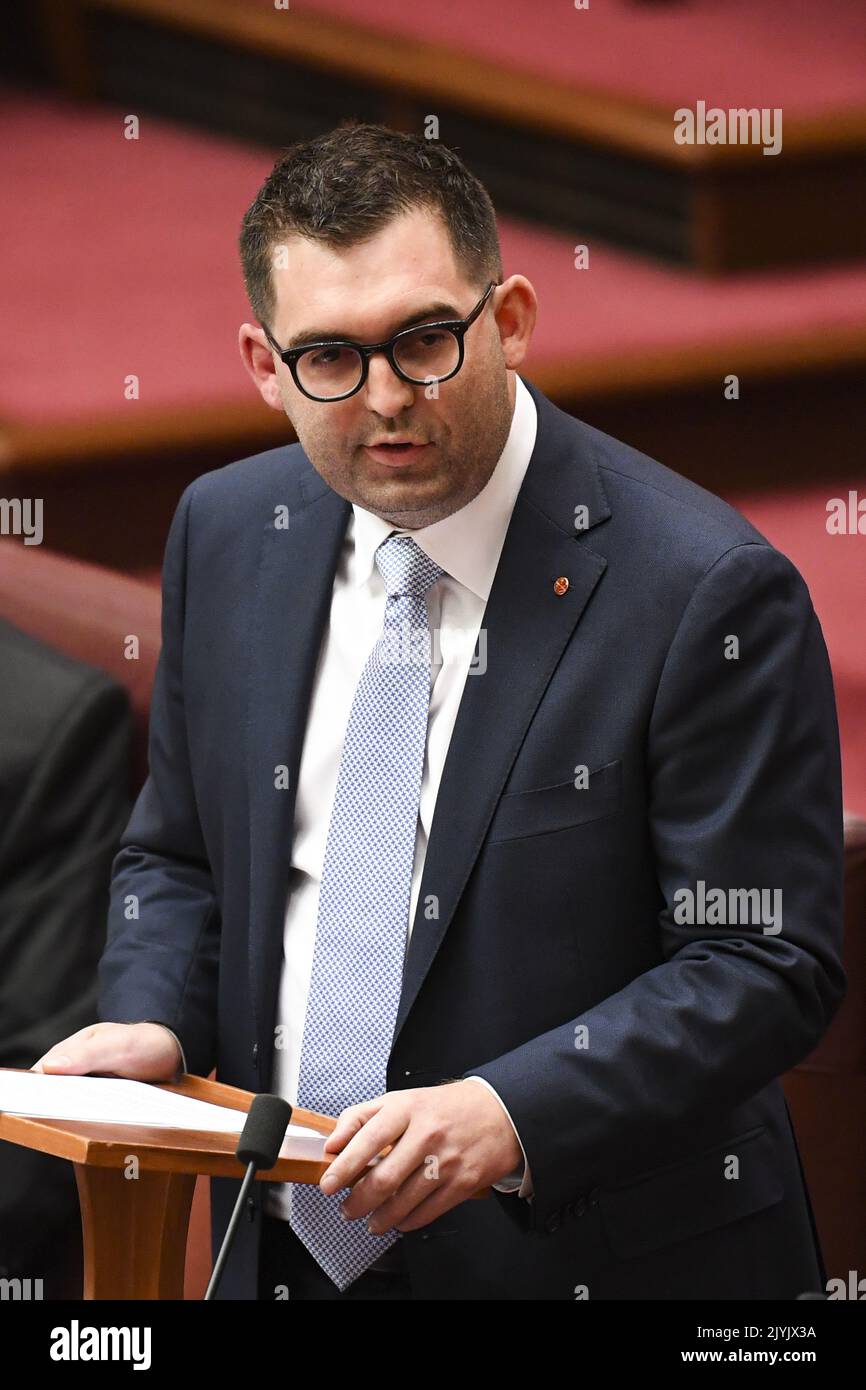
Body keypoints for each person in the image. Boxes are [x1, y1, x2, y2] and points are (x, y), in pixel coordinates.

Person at [33, 122, 846, 1301]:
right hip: (284, 1247)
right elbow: (180, 855)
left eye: (422, 341)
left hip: (585, 1256)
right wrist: (154, 1018)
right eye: (328, 359)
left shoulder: (700, 589)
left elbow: (762, 958)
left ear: (509, 318)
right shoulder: (226, 531)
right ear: (264, 364)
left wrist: (510, 1110)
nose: (382, 402)